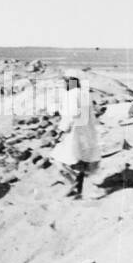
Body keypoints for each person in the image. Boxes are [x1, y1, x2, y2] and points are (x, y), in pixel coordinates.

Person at [51, 71, 100, 199]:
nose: (63, 85)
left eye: (65, 82)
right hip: (87, 133)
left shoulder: (71, 95)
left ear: (69, 82)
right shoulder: (85, 94)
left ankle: (73, 183)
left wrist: (60, 132)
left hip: (73, 133)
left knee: (58, 159)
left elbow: (70, 115)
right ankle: (78, 191)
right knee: (79, 162)